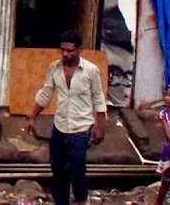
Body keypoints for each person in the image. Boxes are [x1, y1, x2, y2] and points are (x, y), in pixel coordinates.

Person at [24, 30, 108, 205]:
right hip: (60, 125)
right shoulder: (54, 68)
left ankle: (81, 198)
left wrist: (101, 128)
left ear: (79, 50)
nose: (65, 54)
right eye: (62, 50)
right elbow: (46, 94)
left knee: (75, 169)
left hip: (82, 127)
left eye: (70, 51)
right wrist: (32, 116)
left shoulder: (91, 71)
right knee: (58, 170)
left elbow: (98, 99)